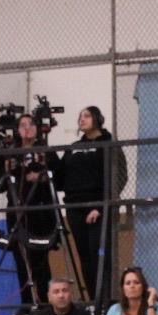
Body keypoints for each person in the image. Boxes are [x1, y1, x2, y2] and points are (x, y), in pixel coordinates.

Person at [56, 105, 129, 304]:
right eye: (80, 116)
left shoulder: (109, 144)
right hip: (75, 209)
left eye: (87, 115)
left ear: (97, 118)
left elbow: (120, 176)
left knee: (100, 256)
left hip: (100, 207)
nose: (82, 119)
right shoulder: (73, 147)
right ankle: (92, 301)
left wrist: (101, 205)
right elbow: (60, 178)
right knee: (85, 257)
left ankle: (106, 300)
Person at [0, 112, 61, 306]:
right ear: (17, 130)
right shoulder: (10, 153)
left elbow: (57, 174)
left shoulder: (46, 150)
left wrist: (41, 176)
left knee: (41, 261)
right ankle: (27, 304)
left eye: (31, 124)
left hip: (41, 211)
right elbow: (1, 182)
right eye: (22, 124)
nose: (27, 128)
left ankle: (46, 302)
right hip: (17, 211)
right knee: (22, 260)